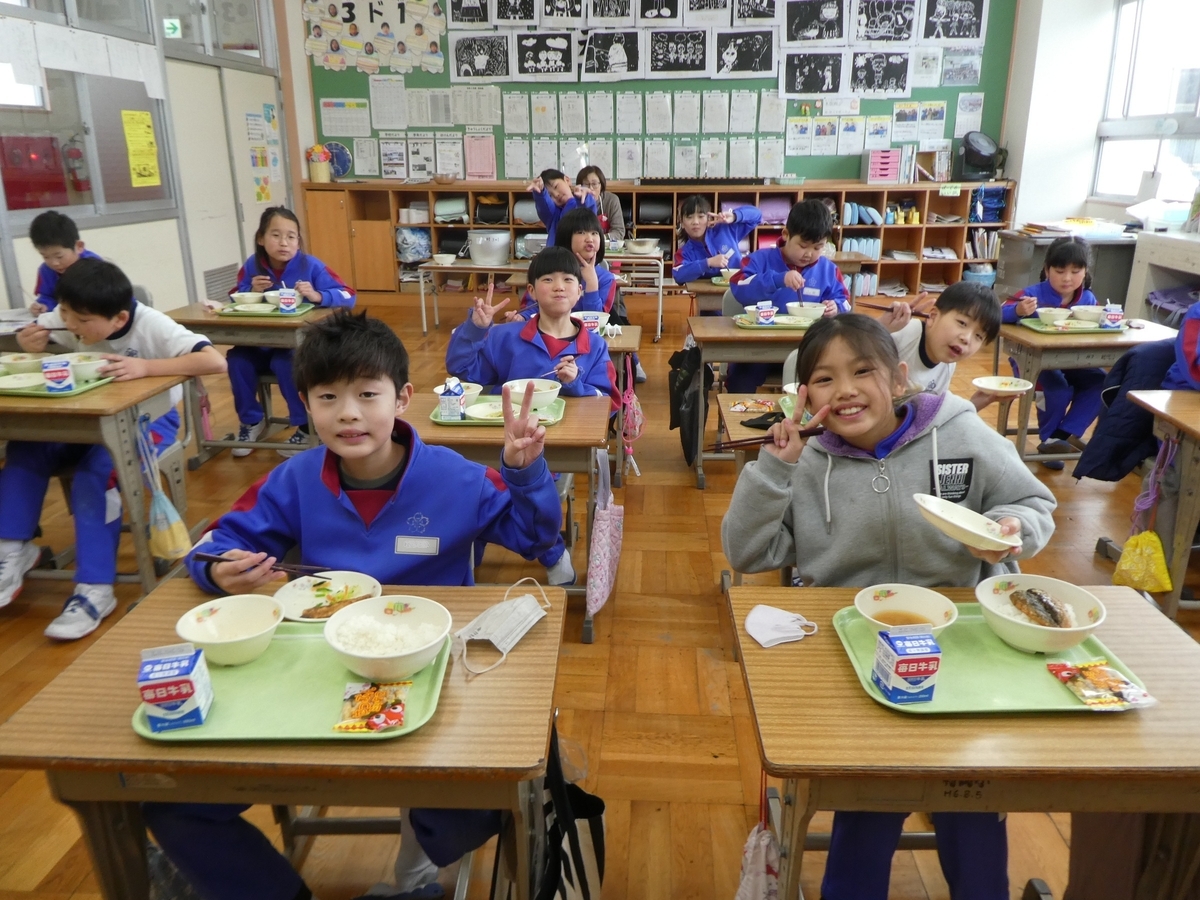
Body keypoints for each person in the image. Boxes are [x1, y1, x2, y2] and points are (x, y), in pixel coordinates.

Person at [153, 311, 562, 900]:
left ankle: (418, 871)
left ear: (403, 399)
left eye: (367, 394)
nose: (348, 412)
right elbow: (218, 543)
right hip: (311, 671)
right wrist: (220, 568)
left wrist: (523, 472)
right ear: (306, 404)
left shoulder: (456, 478)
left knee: (486, 783)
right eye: (328, 397)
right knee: (170, 803)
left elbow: (537, 539)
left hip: (431, 672)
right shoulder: (293, 480)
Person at [722, 314, 1056, 900]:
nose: (845, 390)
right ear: (804, 396)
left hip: (966, 647)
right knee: (870, 804)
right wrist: (774, 466)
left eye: (862, 371)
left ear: (899, 378)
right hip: (856, 651)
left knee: (972, 802)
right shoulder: (807, 462)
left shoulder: (959, 433)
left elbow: (1031, 500)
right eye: (823, 379)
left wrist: (1012, 527)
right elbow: (748, 551)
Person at [0, 258, 226, 639]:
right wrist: (29, 344)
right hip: (83, 418)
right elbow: (45, 333)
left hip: (148, 423)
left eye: (81, 320)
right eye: (67, 314)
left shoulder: (151, 324)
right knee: (24, 448)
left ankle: (95, 588)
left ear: (119, 319)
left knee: (97, 474)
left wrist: (145, 368)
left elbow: (213, 360)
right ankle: (11, 549)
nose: (70, 325)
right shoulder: (68, 316)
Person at [446, 246, 620, 586]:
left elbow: (608, 402)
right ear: (531, 291)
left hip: (555, 447)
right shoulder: (504, 336)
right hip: (500, 439)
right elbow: (464, 371)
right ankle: (504, 545)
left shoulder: (593, 346)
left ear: (580, 291)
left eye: (568, 279)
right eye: (547, 279)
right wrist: (474, 330)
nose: (559, 286)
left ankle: (550, 550)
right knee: (471, 483)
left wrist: (577, 384)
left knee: (517, 491)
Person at [228, 206, 355, 458]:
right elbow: (234, 296)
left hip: (297, 345)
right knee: (237, 359)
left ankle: (306, 427)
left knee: (287, 362)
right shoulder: (253, 266)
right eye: (275, 235)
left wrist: (318, 295)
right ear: (261, 238)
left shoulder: (312, 266)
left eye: (291, 236)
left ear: (299, 241)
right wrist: (250, 289)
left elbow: (348, 295)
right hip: (258, 343)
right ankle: (252, 421)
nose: (284, 243)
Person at [1001, 236, 1104, 469]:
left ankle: (1060, 437)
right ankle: (1049, 439)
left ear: (1085, 272)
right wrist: (1017, 310)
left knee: (1102, 384)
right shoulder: (1030, 294)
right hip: (1033, 363)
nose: (1067, 278)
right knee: (1056, 389)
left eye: (1076, 271)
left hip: (1075, 362)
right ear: (1047, 270)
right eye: (1059, 271)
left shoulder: (1087, 298)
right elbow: (996, 314)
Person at [727, 198, 850, 391]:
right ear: (786, 234)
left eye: (818, 247)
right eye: (803, 245)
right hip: (760, 346)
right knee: (741, 380)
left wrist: (837, 307)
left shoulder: (828, 270)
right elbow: (738, 286)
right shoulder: (760, 260)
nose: (809, 253)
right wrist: (778, 279)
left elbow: (844, 301)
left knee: (826, 379)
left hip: (808, 348)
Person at [879, 281, 1002, 409]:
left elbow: (929, 415)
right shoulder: (903, 333)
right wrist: (881, 327)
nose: (966, 339)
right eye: (962, 323)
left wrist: (973, 405)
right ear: (933, 316)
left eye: (978, 336)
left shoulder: (948, 366)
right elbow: (858, 350)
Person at [515, 208, 615, 319]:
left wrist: (592, 284)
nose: (589, 239)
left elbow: (596, 320)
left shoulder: (606, 279)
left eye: (594, 233)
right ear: (566, 237)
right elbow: (533, 306)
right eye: (581, 232)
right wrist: (522, 317)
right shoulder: (549, 269)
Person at [671, 195, 761, 286]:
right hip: (709, 298)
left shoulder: (725, 229)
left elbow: (757, 215)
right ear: (682, 223)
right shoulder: (684, 253)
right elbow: (678, 275)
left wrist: (734, 216)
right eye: (689, 217)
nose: (695, 222)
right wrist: (708, 263)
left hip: (741, 289)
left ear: (709, 219)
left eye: (701, 216)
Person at [28, 210, 102, 314]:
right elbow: (48, 296)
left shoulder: (95, 267)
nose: (54, 263)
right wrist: (43, 305)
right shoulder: (46, 270)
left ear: (79, 246)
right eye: (45, 257)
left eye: (59, 256)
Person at [528, 168, 597, 247]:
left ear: (567, 180)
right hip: (555, 258)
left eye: (556, 186)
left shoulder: (579, 205)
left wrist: (585, 198)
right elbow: (544, 205)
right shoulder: (553, 215)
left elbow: (587, 213)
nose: (556, 195)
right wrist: (540, 193)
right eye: (550, 195)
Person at [576, 165, 624, 240]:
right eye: (586, 184)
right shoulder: (575, 202)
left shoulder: (611, 200)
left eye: (594, 184)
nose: (590, 188)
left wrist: (601, 239)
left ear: (601, 185)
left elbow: (619, 231)